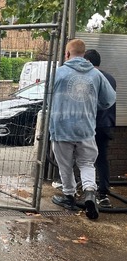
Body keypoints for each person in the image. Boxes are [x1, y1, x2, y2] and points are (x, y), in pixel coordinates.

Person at [50, 39, 116, 219]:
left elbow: (46, 96)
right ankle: (89, 193)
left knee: (65, 165)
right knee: (87, 163)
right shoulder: (96, 74)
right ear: (84, 54)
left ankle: (69, 197)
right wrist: (96, 105)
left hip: (62, 128)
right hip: (86, 128)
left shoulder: (58, 73)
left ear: (67, 54)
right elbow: (110, 99)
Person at [84, 49, 117, 208]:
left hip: (91, 124)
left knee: (84, 158)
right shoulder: (110, 78)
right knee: (102, 158)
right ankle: (103, 193)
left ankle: (84, 188)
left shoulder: (90, 78)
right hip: (107, 124)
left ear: (88, 62)